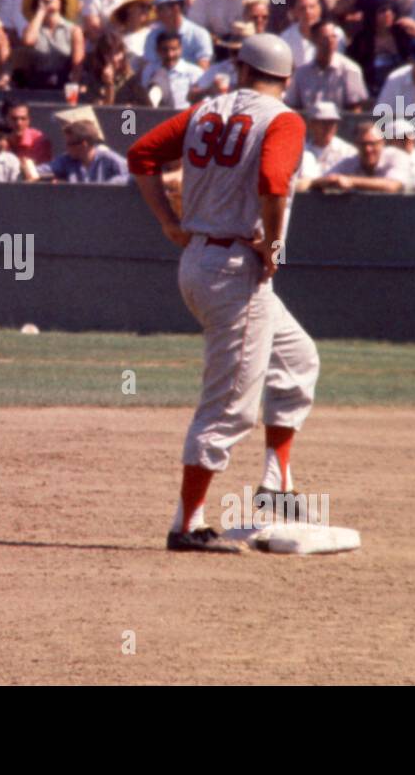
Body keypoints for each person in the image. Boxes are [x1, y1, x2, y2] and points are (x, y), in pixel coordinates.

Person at [125, 32, 317, 553]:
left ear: (239, 68)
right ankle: (187, 525)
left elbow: (141, 153)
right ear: (288, 77)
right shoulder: (283, 119)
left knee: (297, 359)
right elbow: (275, 181)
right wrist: (275, 245)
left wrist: (168, 220)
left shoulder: (205, 109)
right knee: (231, 407)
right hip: (235, 267)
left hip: (200, 258)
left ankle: (277, 489)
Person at [13, 0, 84, 91]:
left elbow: (77, 66)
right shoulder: (33, 28)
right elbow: (28, 41)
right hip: (37, 82)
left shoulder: (73, 30)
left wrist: (72, 91)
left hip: (64, 81)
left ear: (60, 1)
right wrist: (41, 11)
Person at [284, 21, 368, 112]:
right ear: (313, 39)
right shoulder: (301, 73)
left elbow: (355, 110)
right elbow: (292, 106)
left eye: (333, 37)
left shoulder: (350, 70)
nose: (330, 41)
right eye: (325, 38)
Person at [309, 119, 411, 193]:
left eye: (372, 144)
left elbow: (391, 186)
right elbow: (321, 180)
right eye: (363, 144)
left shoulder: (398, 157)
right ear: (356, 145)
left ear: (382, 143)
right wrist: (331, 180)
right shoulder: (350, 162)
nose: (368, 149)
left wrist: (351, 181)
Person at [42, 107, 130, 185]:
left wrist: (107, 186)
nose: (67, 147)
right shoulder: (66, 160)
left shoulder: (108, 158)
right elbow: (43, 170)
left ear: (84, 144)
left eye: (70, 144)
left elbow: (131, 174)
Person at [143, 31, 204, 107]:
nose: (170, 55)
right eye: (165, 50)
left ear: (180, 49)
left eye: (174, 49)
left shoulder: (194, 72)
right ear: (158, 50)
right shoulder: (150, 71)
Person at [303, 99, 356, 173]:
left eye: (332, 123)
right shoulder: (302, 151)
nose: (327, 127)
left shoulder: (348, 151)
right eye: (323, 122)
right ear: (311, 125)